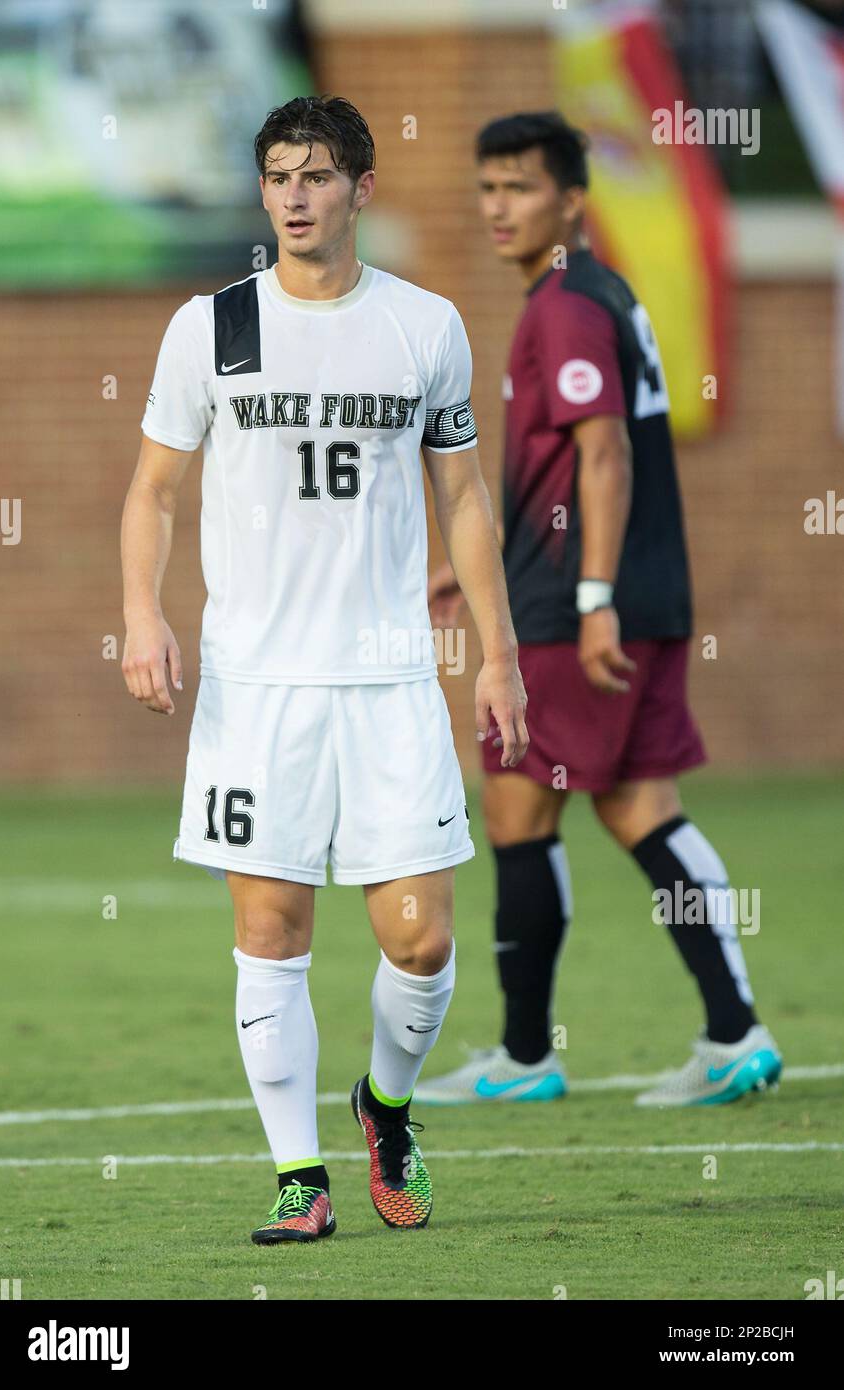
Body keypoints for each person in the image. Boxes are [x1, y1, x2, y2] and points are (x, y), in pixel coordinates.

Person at [121, 95, 528, 1242]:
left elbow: (462, 496)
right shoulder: (214, 327)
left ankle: (383, 1105)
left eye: (314, 176)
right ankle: (299, 1177)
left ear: (360, 186)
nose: (294, 197)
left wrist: (498, 657)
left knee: (422, 939)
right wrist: (140, 614)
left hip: (391, 680)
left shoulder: (422, 325)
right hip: (256, 688)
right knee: (272, 932)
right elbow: (152, 490)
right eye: (277, 177)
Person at [421, 111, 781, 1108]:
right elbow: (558, 469)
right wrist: (489, 561)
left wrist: (587, 601)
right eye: (487, 187)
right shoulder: (588, 295)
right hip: (602, 594)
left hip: (580, 610)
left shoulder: (567, 307)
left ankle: (558, 1051)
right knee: (599, 806)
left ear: (570, 198)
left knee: (557, 805)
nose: (497, 207)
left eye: (519, 188)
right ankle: (703, 1032)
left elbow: (602, 453)